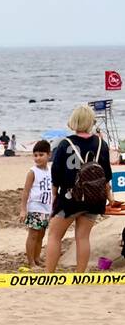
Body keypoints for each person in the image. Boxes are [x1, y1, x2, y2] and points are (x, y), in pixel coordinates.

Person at [44, 104, 113, 273]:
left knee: (54, 235)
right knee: (83, 237)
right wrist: (109, 197)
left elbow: (56, 173)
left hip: (69, 199)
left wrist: (54, 195)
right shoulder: (101, 144)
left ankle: (49, 274)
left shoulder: (64, 144)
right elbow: (106, 174)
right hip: (94, 199)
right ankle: (80, 275)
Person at [20, 139, 53, 270]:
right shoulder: (32, 172)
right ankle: (31, 262)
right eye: (35, 155)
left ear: (48, 155)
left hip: (47, 208)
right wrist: (23, 209)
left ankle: (37, 258)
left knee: (41, 234)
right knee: (33, 234)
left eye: (41, 155)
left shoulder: (51, 170)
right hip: (35, 207)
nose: (38, 158)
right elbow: (26, 191)